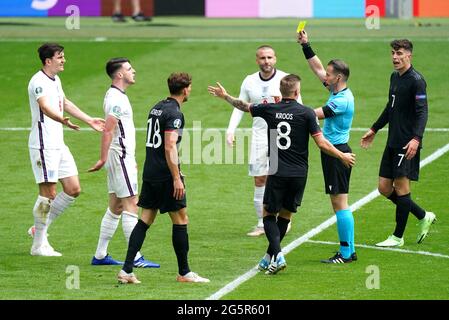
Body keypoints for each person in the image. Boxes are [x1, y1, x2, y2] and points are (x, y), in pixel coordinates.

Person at [209, 74, 356, 274]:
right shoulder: (306, 113)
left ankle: (277, 255)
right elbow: (321, 143)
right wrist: (342, 155)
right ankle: (268, 257)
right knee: (285, 216)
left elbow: (244, 106)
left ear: (281, 91)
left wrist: (225, 96)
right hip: (299, 173)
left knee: (268, 214)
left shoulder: (269, 109)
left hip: (277, 170)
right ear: (297, 92)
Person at [117, 72, 210, 284]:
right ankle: (184, 272)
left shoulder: (156, 107)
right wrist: (176, 177)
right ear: (185, 89)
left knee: (145, 219)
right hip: (165, 176)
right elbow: (169, 146)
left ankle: (127, 270)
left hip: (150, 172)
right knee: (181, 219)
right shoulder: (175, 114)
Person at [28, 43, 105, 256]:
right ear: (48, 61)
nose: (64, 60)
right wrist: (62, 120)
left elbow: (64, 102)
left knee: (73, 189)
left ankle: (38, 230)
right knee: (48, 193)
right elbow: (44, 106)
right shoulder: (38, 81)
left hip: (58, 143)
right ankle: (38, 245)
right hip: (43, 144)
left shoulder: (55, 80)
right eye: (60, 57)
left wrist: (89, 119)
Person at [361, 39, 436, 247]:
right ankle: (423, 215)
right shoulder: (394, 77)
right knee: (384, 188)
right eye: (393, 53)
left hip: (407, 143)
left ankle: (397, 237)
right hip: (393, 140)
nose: (395, 57)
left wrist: (416, 138)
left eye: (400, 53)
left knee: (402, 187)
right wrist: (374, 128)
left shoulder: (417, 81)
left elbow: (422, 111)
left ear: (409, 55)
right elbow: (390, 107)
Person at [88, 58, 159, 268]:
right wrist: (102, 158)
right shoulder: (116, 100)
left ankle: (100, 255)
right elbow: (108, 129)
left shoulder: (116, 95)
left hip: (119, 156)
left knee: (116, 206)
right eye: (129, 69)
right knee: (131, 205)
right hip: (120, 156)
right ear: (119, 74)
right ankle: (135, 257)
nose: (133, 71)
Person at [226, 45, 300, 237]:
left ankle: (284, 219)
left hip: (281, 137)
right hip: (259, 136)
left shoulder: (285, 80)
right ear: (257, 60)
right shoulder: (249, 81)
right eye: (262, 58)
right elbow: (239, 106)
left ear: (275, 59)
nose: (266, 61)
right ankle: (261, 223)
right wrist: (230, 129)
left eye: (269, 57)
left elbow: (298, 106)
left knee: (280, 177)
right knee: (259, 179)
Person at [297, 30, 357, 263]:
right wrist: (306, 45)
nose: (325, 76)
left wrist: (289, 109)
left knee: (339, 202)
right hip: (334, 151)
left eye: (330, 75)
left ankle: (346, 252)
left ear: (339, 77)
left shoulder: (341, 101)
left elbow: (315, 115)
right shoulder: (336, 89)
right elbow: (317, 67)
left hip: (337, 151)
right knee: (338, 201)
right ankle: (348, 250)